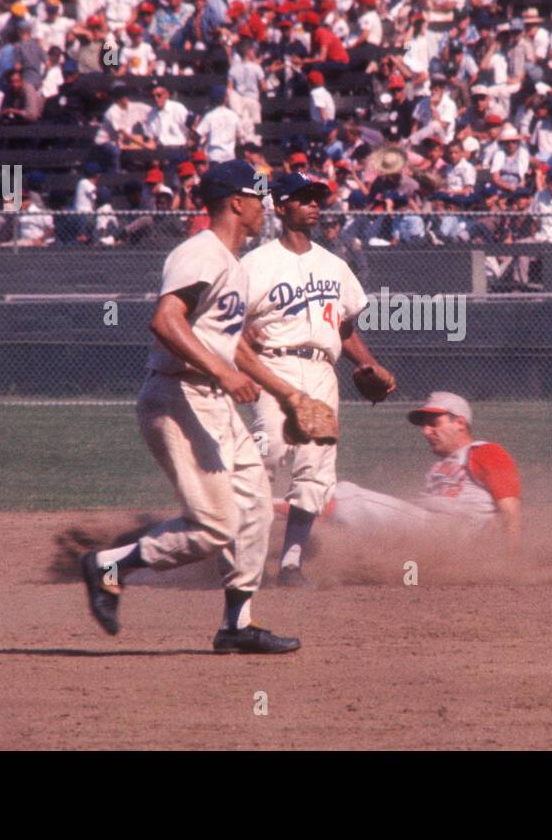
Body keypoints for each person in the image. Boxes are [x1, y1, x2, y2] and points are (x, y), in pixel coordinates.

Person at [79, 160, 301, 655]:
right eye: (258, 197)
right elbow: (165, 321)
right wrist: (222, 371)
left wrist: (286, 392)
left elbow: (227, 346)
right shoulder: (199, 253)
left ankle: (237, 626)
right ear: (236, 203)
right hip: (177, 396)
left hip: (213, 401)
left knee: (257, 509)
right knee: (215, 525)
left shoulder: (233, 266)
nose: (265, 207)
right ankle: (109, 565)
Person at [236, 172, 396, 587]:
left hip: (323, 370)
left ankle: (290, 563)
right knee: (268, 447)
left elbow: (342, 327)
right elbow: (228, 317)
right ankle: (235, 542)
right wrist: (241, 330)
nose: (314, 204)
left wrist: (367, 363)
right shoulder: (256, 263)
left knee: (315, 471)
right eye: (304, 198)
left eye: (318, 198)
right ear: (280, 205)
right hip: (275, 367)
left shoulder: (334, 265)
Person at [326, 392, 521, 552]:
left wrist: (511, 561)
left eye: (434, 423)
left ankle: (295, 553)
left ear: (460, 423)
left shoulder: (485, 451)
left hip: (449, 531)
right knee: (348, 533)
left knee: (343, 495)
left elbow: (510, 511)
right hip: (431, 534)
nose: (426, 431)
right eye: (424, 425)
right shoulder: (444, 464)